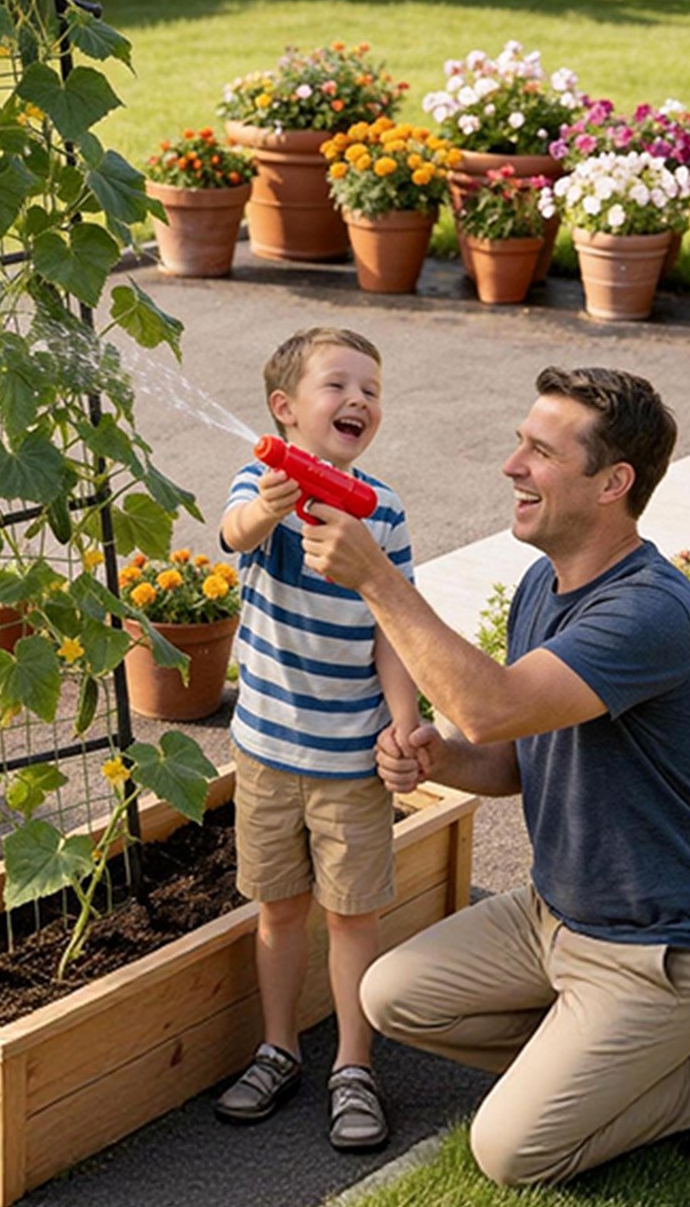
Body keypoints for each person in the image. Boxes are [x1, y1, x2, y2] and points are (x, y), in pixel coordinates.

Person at [299, 365, 690, 1185]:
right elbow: (510, 753)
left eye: (539, 452)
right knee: (390, 995)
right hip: (555, 914)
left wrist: (376, 578)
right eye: (519, 443)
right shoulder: (545, 582)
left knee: (512, 1152)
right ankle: (608, 1054)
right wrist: (443, 757)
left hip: (660, 945)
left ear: (613, 482)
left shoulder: (651, 611)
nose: (511, 466)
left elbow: (494, 707)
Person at [213, 327, 421, 1151]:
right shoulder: (257, 488)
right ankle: (279, 1049)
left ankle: (354, 1065)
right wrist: (271, 500)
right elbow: (233, 534)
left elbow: (391, 626)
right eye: (338, 386)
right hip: (266, 753)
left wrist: (404, 721)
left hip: (351, 762)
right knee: (278, 910)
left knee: (351, 917)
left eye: (371, 388)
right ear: (284, 411)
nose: (359, 400)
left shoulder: (386, 510)